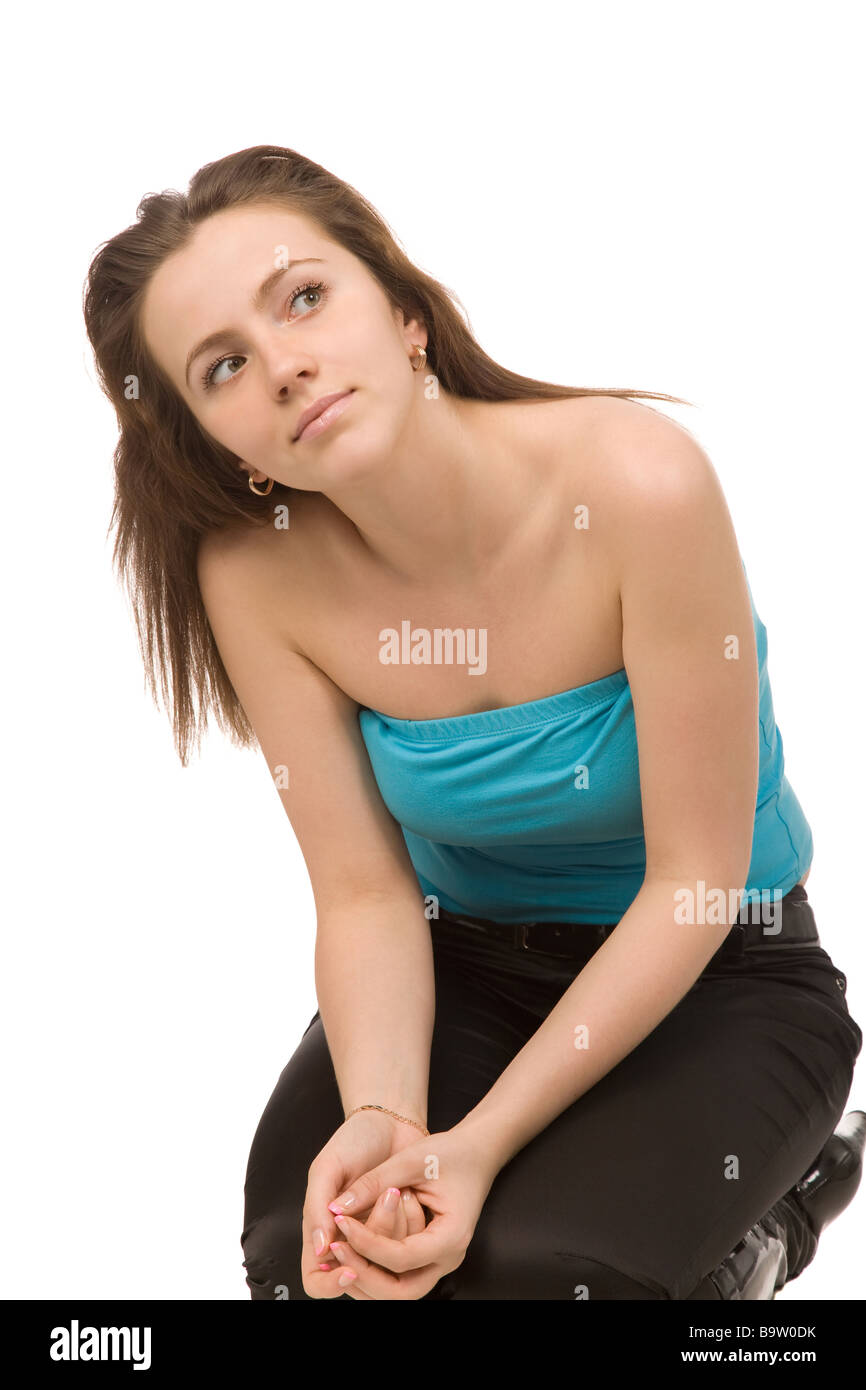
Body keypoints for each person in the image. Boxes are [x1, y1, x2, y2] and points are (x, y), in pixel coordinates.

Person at [83, 143, 862, 1300]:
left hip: (718, 971)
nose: (284, 367)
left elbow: (690, 883)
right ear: (215, 442)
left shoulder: (637, 485)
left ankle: (756, 1232)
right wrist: (386, 1123)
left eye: (304, 297)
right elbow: (364, 893)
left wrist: (478, 1147)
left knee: (537, 1275)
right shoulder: (257, 577)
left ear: (401, 311)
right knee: (316, 1270)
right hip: (464, 964)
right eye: (223, 366)